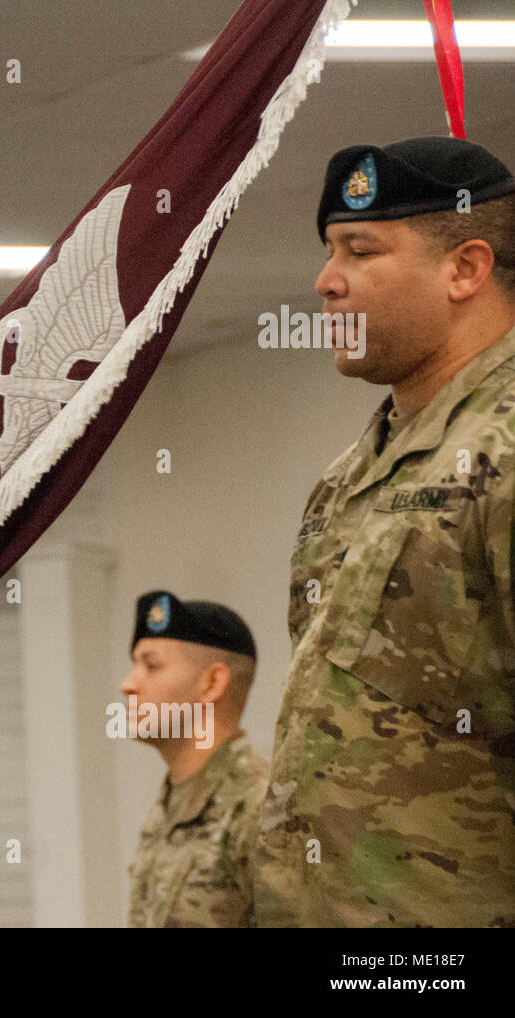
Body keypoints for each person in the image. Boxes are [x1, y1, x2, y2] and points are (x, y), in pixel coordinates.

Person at [253, 136, 515, 926]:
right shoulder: (348, 476)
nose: (326, 281)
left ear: (465, 269)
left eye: (361, 251)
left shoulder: (505, 453)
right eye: (330, 251)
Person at [121, 590, 268, 928]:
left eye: (151, 665)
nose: (127, 684)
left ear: (212, 682)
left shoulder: (262, 807)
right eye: (134, 665)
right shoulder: (166, 809)